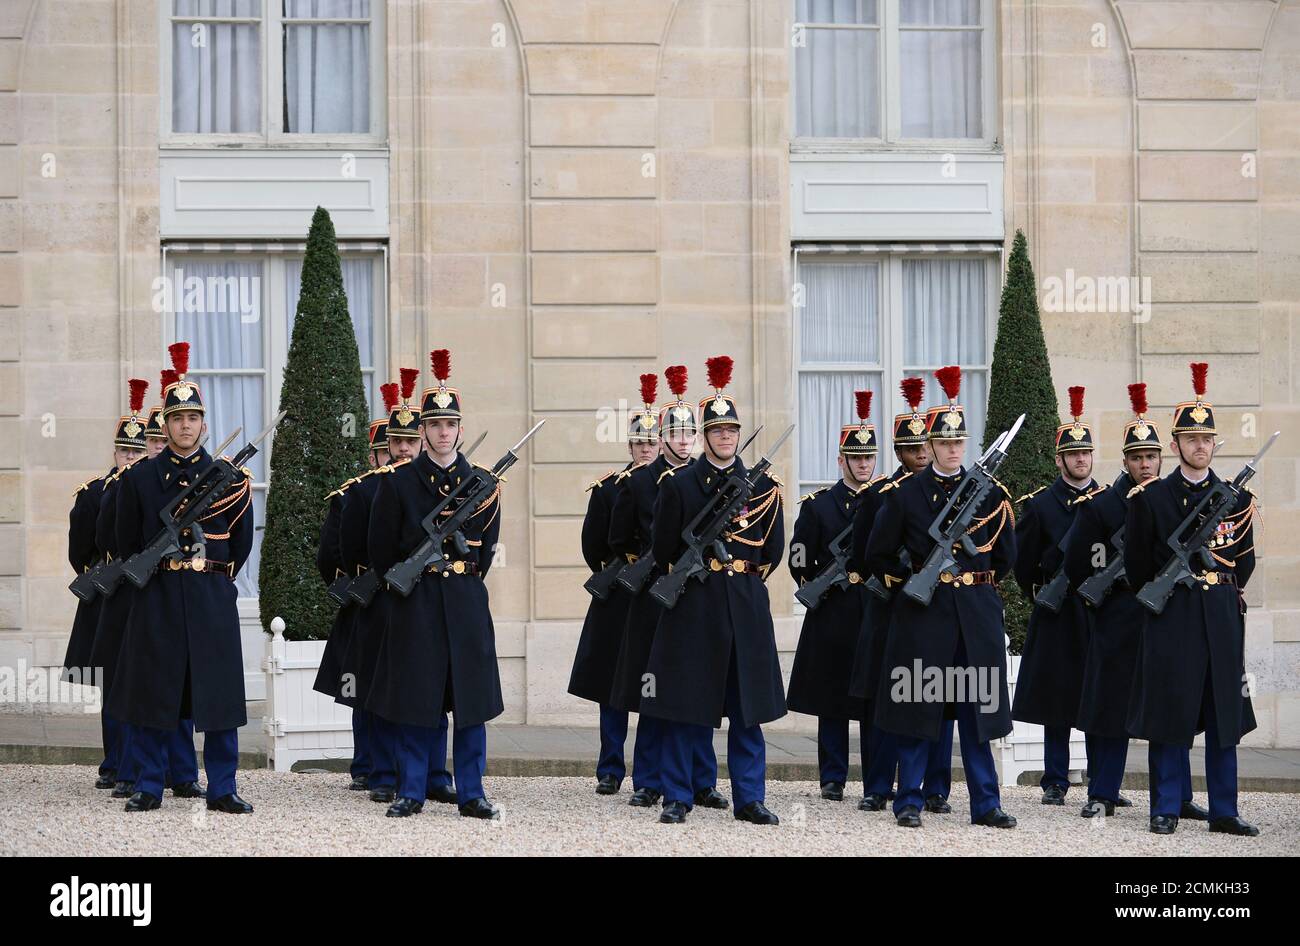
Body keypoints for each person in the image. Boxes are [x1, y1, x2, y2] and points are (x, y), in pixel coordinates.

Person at [866, 366, 1017, 829]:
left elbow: (1006, 557)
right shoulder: (906, 495)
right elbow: (877, 554)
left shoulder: (991, 495)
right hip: (925, 614)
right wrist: (916, 577)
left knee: (977, 717)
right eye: (944, 442)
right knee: (916, 710)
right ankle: (908, 799)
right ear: (928, 446)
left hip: (974, 614)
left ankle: (986, 804)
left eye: (958, 442)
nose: (953, 449)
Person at [110, 343, 256, 813]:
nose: (186, 425)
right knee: (157, 691)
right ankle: (150, 786)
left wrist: (217, 580)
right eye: (177, 418)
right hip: (160, 593)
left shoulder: (229, 478)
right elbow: (125, 537)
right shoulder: (140, 479)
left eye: (193, 418)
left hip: (210, 591)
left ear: (204, 424)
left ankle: (222, 788)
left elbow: (241, 542)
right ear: (165, 424)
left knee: (217, 697)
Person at [642, 356, 786, 825]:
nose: (726, 437)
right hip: (695, 604)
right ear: (703, 436)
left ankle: (749, 798)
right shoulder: (680, 485)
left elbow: (774, 550)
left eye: (731, 430)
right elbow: (664, 547)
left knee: (748, 712)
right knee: (686, 706)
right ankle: (678, 796)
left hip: (744, 601)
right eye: (717, 430)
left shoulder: (762, 486)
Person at [366, 349, 504, 819]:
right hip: (418, 601)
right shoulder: (398, 483)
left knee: (470, 703)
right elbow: (381, 550)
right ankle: (411, 789)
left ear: (460, 430)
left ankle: (471, 792)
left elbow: (484, 553)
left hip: (464, 599)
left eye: (451, 425)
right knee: (415, 700)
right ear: (421, 430)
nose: (443, 432)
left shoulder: (483, 484)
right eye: (435, 425)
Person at [1125, 363, 1260, 836]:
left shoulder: (1235, 499)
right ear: (1176, 444)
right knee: (1170, 712)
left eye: (1206, 439)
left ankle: (1224, 809)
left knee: (1223, 713)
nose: (1200, 446)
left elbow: (1244, 562)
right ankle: (1165, 806)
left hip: (1220, 616)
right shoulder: (1151, 500)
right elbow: (1138, 568)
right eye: (1190, 439)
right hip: (1174, 616)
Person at [607, 366, 723, 810]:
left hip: (693, 596)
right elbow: (619, 541)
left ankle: (701, 779)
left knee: (697, 690)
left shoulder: (704, 480)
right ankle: (649, 779)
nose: (683, 439)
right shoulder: (637, 482)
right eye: (674, 432)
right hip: (653, 595)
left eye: (689, 431)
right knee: (653, 690)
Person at [849, 377, 952, 813]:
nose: (921, 457)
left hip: (933, 612)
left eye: (925, 449)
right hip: (890, 607)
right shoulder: (880, 497)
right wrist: (902, 578)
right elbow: (862, 556)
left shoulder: (948, 493)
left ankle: (935, 788)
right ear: (899, 452)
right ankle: (877, 785)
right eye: (912, 451)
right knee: (886, 700)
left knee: (937, 699)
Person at [1065, 382, 1166, 817]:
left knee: (1168, 706)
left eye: (1151, 456)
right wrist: (1103, 591)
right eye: (1137, 457)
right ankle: (1101, 793)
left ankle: (1172, 798)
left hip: (1164, 614)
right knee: (1109, 709)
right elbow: (1076, 565)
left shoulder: (1173, 501)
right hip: (1119, 612)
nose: (1145, 464)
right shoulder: (1103, 506)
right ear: (1125, 460)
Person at [567, 374, 660, 795]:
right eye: (639, 442)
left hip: (658, 596)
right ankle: (610, 768)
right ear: (630, 446)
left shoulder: (678, 485)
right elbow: (593, 546)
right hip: (620, 595)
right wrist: (624, 570)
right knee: (612, 687)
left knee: (655, 685)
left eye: (652, 441)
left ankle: (649, 773)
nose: (646, 448)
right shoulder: (608, 489)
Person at [1010, 386, 1099, 805]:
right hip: (1058, 611)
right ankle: (1055, 779)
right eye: (1074, 454)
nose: (1082, 460)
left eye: (1087, 453)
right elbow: (1022, 563)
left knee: (1101, 694)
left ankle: (1102, 781)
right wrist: (1043, 596)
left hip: (1098, 609)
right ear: (1060, 459)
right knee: (1056, 698)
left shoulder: (1110, 502)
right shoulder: (1042, 506)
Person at [787, 390, 877, 801]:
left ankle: (877, 779)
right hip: (833, 612)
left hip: (872, 608)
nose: (863, 464)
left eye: (868, 457)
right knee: (832, 700)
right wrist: (822, 581)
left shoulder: (885, 503)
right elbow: (798, 555)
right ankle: (833, 777)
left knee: (874, 699)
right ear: (841, 460)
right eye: (855, 458)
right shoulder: (818, 507)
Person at [63, 379, 148, 789]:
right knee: (113, 680)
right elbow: (80, 552)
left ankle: (149, 764)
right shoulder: (94, 494)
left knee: (147, 677)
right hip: (110, 592)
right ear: (114, 452)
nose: (130, 458)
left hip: (147, 590)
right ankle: (115, 762)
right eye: (125, 451)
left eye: (137, 451)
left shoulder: (152, 487)